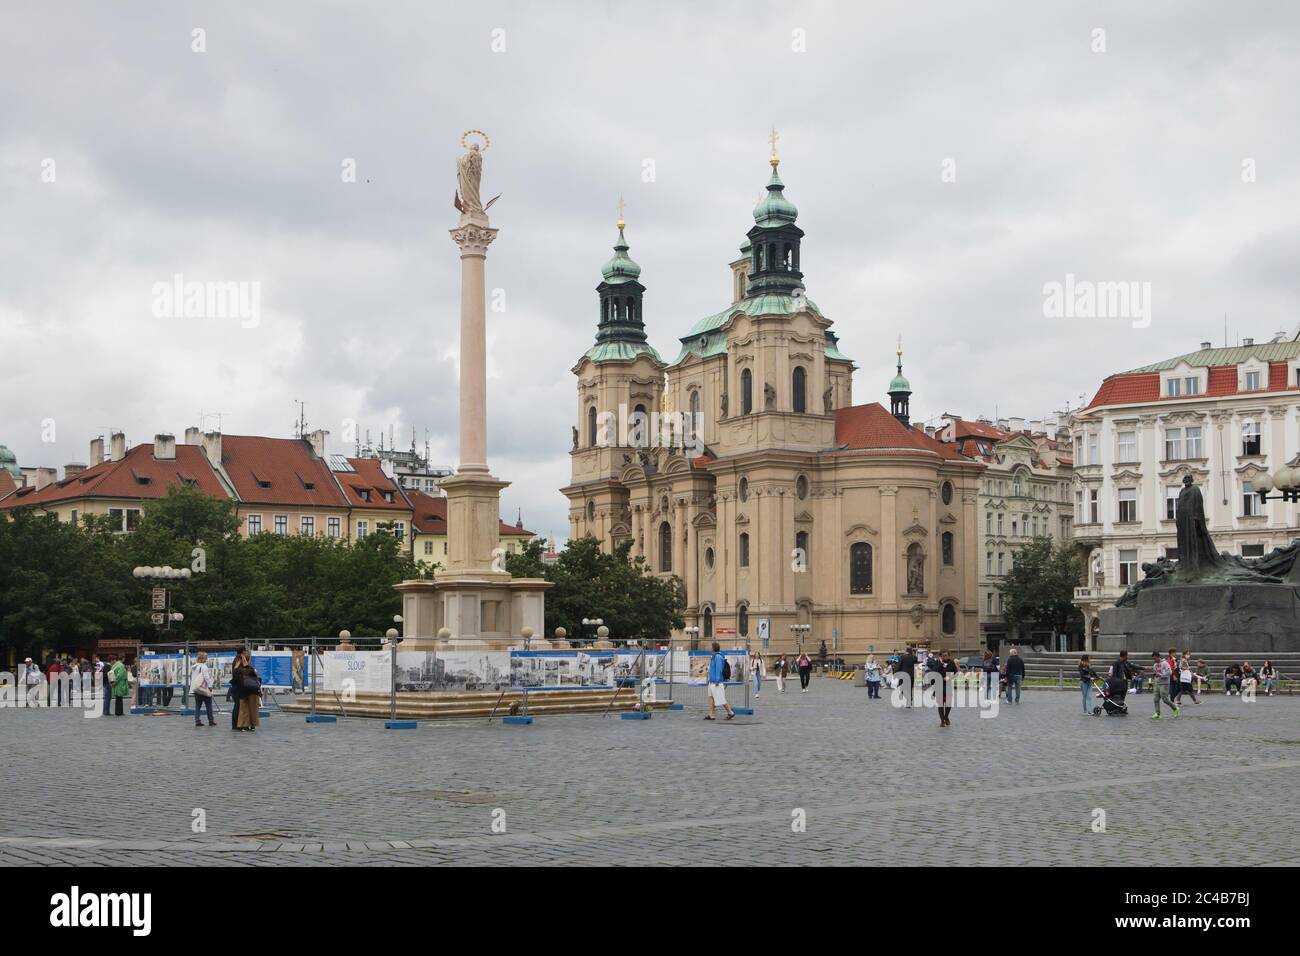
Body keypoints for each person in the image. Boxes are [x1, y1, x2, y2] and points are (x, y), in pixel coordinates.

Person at [928, 649, 960, 727]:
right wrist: (941, 664)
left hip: (948, 686)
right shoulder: (937, 662)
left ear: (948, 655)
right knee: (941, 704)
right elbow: (934, 671)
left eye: (946, 655)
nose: (945, 657)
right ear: (940, 656)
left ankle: (946, 717)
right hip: (939, 686)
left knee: (948, 704)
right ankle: (942, 721)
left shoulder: (951, 662)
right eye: (943, 655)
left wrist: (950, 677)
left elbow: (956, 673)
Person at [704, 642, 734, 721]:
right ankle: (711, 715)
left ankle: (730, 712)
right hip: (711, 681)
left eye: (711, 647)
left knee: (721, 699)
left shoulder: (718, 657)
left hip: (716, 682)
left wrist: (717, 680)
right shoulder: (713, 656)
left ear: (713, 648)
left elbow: (719, 669)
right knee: (711, 698)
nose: (709, 648)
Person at [233, 653, 262, 732]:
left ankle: (244, 725)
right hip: (252, 690)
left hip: (243, 691)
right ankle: (252, 724)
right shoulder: (250, 668)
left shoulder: (238, 669)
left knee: (244, 709)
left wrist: (237, 666)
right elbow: (255, 675)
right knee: (253, 709)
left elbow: (235, 676)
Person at [1149, 651, 1179, 720]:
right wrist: (1155, 675)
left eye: (1155, 658)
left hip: (1164, 683)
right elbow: (1156, 673)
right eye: (1153, 659)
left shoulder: (1165, 663)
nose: (1154, 660)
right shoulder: (1155, 665)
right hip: (1157, 683)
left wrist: (1160, 675)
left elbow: (1169, 672)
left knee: (1165, 699)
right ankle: (1157, 713)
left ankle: (1175, 708)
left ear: (1158, 657)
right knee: (1156, 699)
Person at [190, 651, 216, 727]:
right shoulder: (204, 667)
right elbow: (207, 678)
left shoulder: (194, 666)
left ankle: (197, 720)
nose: (207, 659)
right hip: (204, 688)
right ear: (203, 658)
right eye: (206, 657)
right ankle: (211, 721)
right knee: (208, 705)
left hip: (196, 689)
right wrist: (210, 686)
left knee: (198, 705)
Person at [229, 649, 247, 731]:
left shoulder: (236, 659)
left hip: (236, 685)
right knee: (238, 706)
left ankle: (236, 725)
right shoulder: (239, 660)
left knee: (237, 705)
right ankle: (237, 725)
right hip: (239, 686)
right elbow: (238, 672)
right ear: (243, 652)